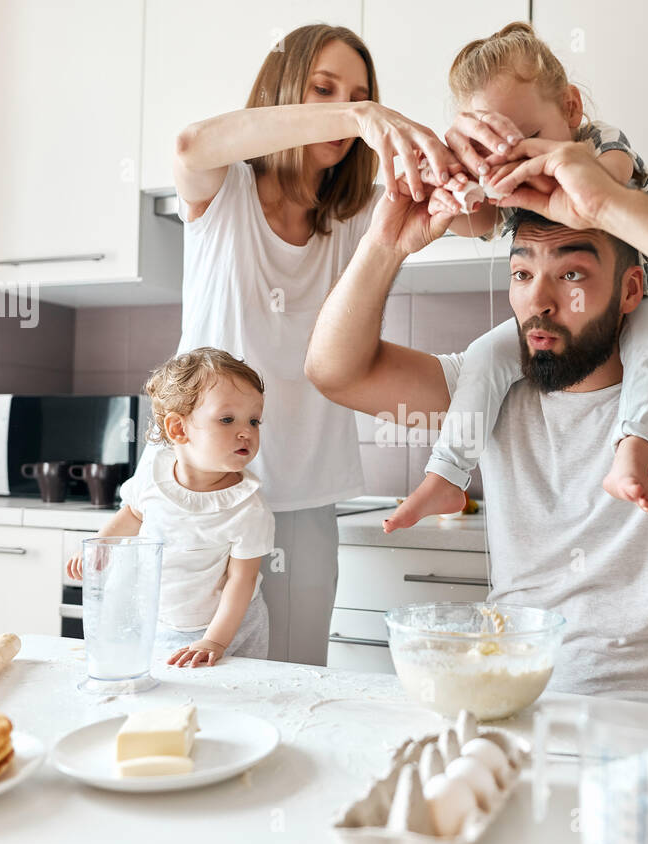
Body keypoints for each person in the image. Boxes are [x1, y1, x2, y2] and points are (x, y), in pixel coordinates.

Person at [304, 140, 648, 696]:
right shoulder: (492, 391)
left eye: (571, 275)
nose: (538, 300)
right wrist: (384, 244)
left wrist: (615, 206)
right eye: (522, 275)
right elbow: (335, 371)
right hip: (511, 701)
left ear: (631, 290)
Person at [118, 23, 457, 665]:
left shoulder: (355, 219)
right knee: (176, 668)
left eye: (355, 95)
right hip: (192, 491)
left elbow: (468, 210)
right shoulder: (226, 193)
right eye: (322, 89)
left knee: (296, 678)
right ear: (285, 95)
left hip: (303, 493)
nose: (340, 110)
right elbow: (191, 143)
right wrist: (359, 111)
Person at [384, 22, 648, 533]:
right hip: (564, 319)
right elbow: (472, 220)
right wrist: (441, 186)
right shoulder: (503, 184)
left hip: (646, 297)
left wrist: (556, 165)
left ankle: (633, 453)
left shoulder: (601, 144)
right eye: (493, 150)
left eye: (527, 140)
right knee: (484, 355)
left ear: (571, 109)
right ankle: (446, 475)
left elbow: (607, 180)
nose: (516, 161)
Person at [68, 349, 275, 668]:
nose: (246, 430)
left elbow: (241, 581)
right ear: (179, 429)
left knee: (229, 699)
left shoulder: (248, 507)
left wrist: (215, 640)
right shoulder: (152, 479)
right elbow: (132, 515)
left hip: (227, 628)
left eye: (254, 420)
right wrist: (100, 549)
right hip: (160, 620)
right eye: (227, 419)